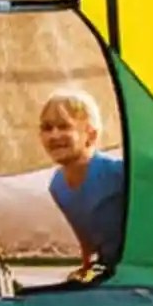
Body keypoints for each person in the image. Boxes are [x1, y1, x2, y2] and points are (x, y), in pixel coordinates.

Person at [38, 88, 128, 280]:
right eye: (47, 128)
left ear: (91, 135)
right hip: (110, 265)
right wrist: (86, 265)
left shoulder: (114, 172)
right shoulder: (57, 186)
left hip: (136, 262)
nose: (54, 135)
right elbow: (85, 236)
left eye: (64, 127)